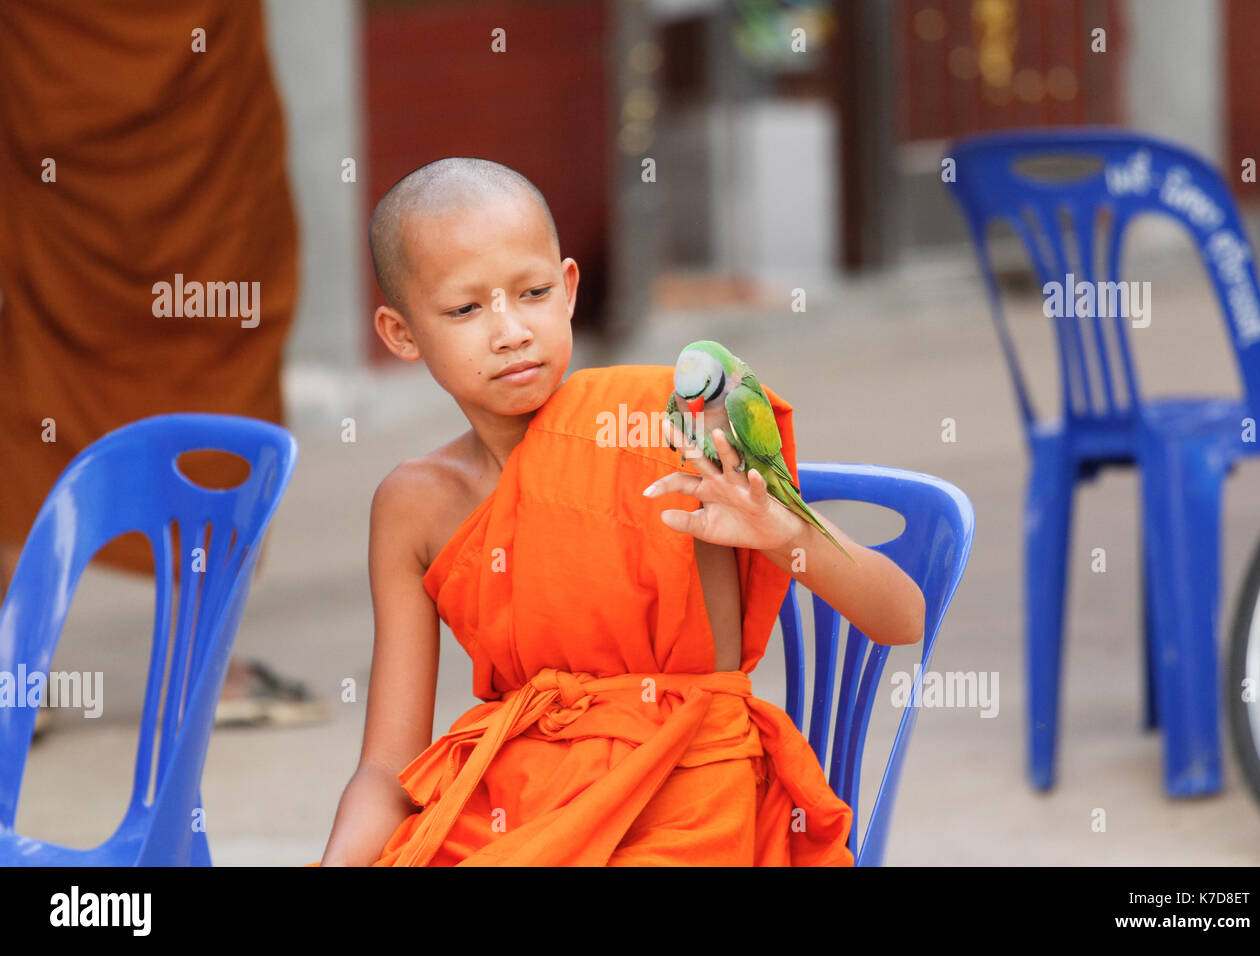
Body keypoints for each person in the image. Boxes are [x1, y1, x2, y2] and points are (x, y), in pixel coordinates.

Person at [314, 157, 925, 866]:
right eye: (465, 309)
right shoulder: (414, 504)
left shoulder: (676, 424)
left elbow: (901, 617)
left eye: (533, 292)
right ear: (401, 334)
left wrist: (783, 534)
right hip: (518, 810)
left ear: (568, 289)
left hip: (691, 800)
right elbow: (388, 769)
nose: (510, 331)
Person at [0, 0, 325, 735]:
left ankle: (12, 664)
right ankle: (200, 671)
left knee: (46, 319)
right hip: (185, 68)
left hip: (53, 52)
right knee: (213, 325)